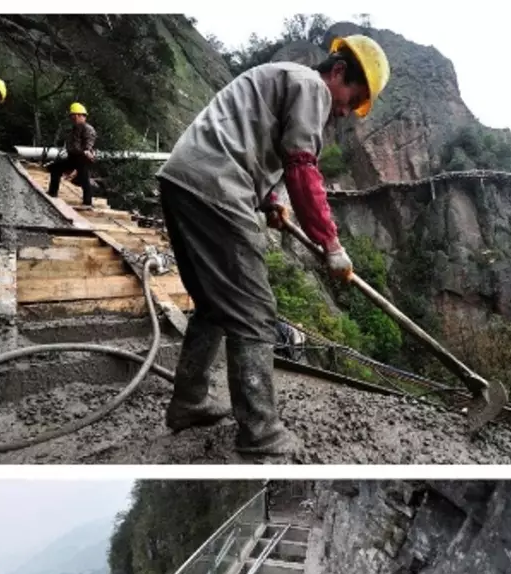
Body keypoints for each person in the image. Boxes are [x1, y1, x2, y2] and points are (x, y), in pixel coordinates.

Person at [157, 35, 390, 460]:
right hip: (216, 188)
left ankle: (189, 401)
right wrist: (331, 242)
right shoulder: (312, 88)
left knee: (214, 305)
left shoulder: (283, 81)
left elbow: (253, 143)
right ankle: (260, 431)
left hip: (183, 181)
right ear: (338, 72)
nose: (343, 110)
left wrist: (269, 202)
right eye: (351, 97)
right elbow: (301, 165)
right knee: (255, 312)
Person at [47, 102, 97, 206]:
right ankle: (52, 192)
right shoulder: (75, 128)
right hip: (73, 156)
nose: (72, 118)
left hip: (83, 158)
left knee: (84, 178)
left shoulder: (88, 129)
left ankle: (88, 203)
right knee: (56, 168)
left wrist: (87, 150)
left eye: (73, 116)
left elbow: (89, 141)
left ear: (79, 115)